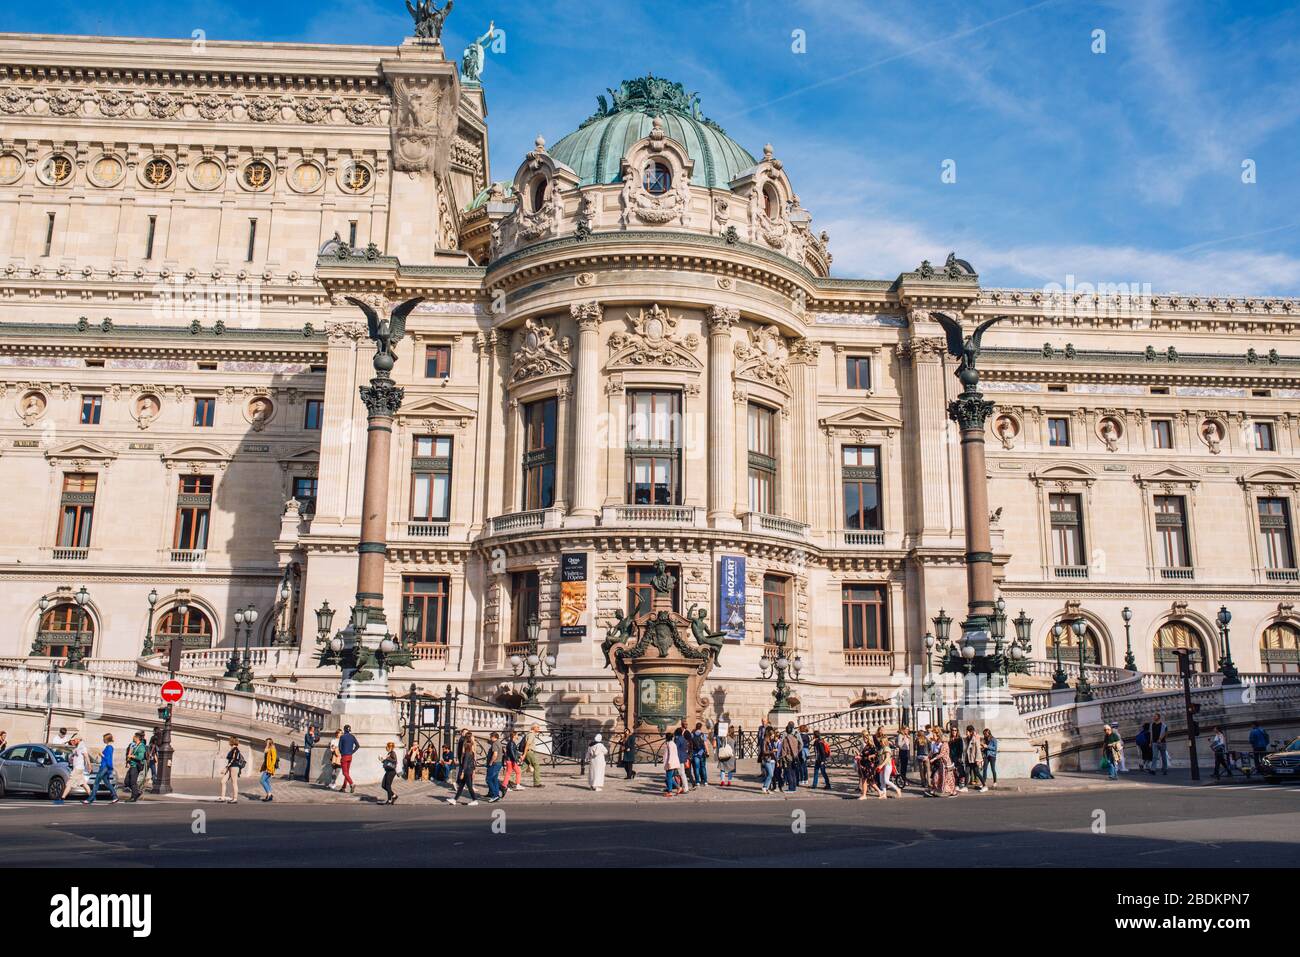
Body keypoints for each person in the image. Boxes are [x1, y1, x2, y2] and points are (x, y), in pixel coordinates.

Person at [54, 734, 90, 804]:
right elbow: (70, 751)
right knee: (83, 783)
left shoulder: (82, 747)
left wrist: (89, 765)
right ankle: (92, 796)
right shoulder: (77, 747)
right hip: (78, 768)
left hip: (78, 768)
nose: (73, 741)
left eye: (74, 740)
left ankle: (62, 799)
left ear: (78, 739)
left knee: (69, 783)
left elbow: (86, 756)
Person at [84, 733, 119, 804]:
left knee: (96, 782)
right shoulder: (108, 747)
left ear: (106, 739)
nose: (103, 740)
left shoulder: (109, 747)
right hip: (104, 766)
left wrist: (101, 754)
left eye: (104, 738)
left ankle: (91, 798)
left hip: (104, 767)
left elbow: (108, 759)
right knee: (107, 783)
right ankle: (115, 797)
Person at [448, 732, 479, 805]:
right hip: (469, 770)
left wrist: (462, 772)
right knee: (461, 786)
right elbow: (474, 762)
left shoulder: (467, 753)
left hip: (467, 771)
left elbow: (465, 763)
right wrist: (473, 771)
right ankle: (455, 800)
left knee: (469, 787)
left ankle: (474, 800)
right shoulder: (472, 751)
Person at [928, 730, 958, 797]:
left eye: (941, 737)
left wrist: (934, 759)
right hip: (943, 763)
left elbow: (942, 754)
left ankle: (949, 791)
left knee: (945, 777)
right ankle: (938, 790)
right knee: (941, 777)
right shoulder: (944, 744)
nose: (940, 738)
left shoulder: (944, 745)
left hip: (945, 763)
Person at [876, 732, 901, 799]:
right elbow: (880, 758)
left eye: (881, 741)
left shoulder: (886, 748)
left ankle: (897, 789)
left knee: (886, 780)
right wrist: (879, 765)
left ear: (884, 742)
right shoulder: (881, 749)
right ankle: (884, 794)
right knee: (882, 781)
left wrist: (881, 765)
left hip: (887, 765)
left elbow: (887, 758)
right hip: (882, 766)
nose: (880, 743)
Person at [124, 731, 148, 802]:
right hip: (132, 765)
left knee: (132, 782)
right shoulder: (135, 745)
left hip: (136, 766)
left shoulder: (141, 746)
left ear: (137, 738)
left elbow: (140, 757)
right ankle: (136, 792)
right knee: (127, 781)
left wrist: (131, 756)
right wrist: (128, 761)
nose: (133, 737)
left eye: (134, 736)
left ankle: (133, 797)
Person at [779, 722, 802, 792]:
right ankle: (794, 787)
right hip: (795, 757)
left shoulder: (786, 739)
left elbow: (784, 750)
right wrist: (797, 752)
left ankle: (791, 788)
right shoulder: (795, 738)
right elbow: (800, 745)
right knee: (794, 773)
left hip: (788, 758)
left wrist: (782, 758)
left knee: (789, 773)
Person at [220, 736, 244, 802]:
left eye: (229, 740)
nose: (228, 741)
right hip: (230, 766)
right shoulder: (232, 749)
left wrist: (226, 768)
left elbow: (233, 759)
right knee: (223, 781)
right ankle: (222, 797)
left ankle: (235, 798)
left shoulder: (235, 749)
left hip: (234, 767)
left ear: (232, 741)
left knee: (234, 782)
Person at [520, 724, 543, 788]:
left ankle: (512, 779)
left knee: (524, 767)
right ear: (533, 728)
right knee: (536, 766)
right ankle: (537, 783)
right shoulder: (531, 734)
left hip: (528, 752)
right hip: (530, 752)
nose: (539, 728)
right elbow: (528, 744)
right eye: (537, 727)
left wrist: (525, 754)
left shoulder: (529, 734)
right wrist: (524, 754)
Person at [337, 725, 359, 793]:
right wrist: (352, 752)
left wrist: (342, 753)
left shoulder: (342, 737)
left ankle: (352, 784)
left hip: (344, 756)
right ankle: (343, 787)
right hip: (350, 756)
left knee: (344, 772)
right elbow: (358, 746)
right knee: (347, 772)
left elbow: (340, 747)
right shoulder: (352, 736)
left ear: (344, 730)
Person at [663, 729, 685, 796]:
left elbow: (672, 754)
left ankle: (669, 792)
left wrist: (669, 763)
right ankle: (679, 788)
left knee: (669, 778)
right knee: (668, 777)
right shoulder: (671, 744)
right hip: (671, 763)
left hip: (671, 763)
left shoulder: (670, 744)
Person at [963, 726, 984, 793]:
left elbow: (978, 749)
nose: (966, 732)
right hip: (968, 759)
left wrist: (978, 759)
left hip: (974, 759)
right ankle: (965, 787)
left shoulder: (975, 738)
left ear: (970, 731)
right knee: (966, 772)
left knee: (977, 773)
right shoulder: (967, 739)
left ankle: (985, 785)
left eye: (967, 731)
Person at [485, 732, 504, 802]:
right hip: (498, 763)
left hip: (495, 764)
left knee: (489, 779)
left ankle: (495, 795)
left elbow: (495, 754)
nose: (490, 738)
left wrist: (490, 762)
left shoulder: (495, 744)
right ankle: (496, 794)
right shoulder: (499, 743)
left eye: (490, 737)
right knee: (494, 779)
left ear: (493, 737)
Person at [691, 722, 710, 787]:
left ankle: (697, 782)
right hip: (701, 752)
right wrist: (708, 752)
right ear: (701, 727)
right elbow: (705, 744)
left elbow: (690, 744)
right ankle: (705, 781)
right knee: (703, 767)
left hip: (695, 753)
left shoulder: (692, 734)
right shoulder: (702, 735)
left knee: (696, 768)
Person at [759, 728, 777, 794]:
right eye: (772, 736)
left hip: (772, 759)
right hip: (767, 759)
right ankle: (764, 787)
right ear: (769, 735)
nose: (773, 737)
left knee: (770, 775)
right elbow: (764, 751)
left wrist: (776, 760)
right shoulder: (764, 741)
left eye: (773, 736)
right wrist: (772, 751)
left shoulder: (771, 741)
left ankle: (767, 789)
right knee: (770, 774)